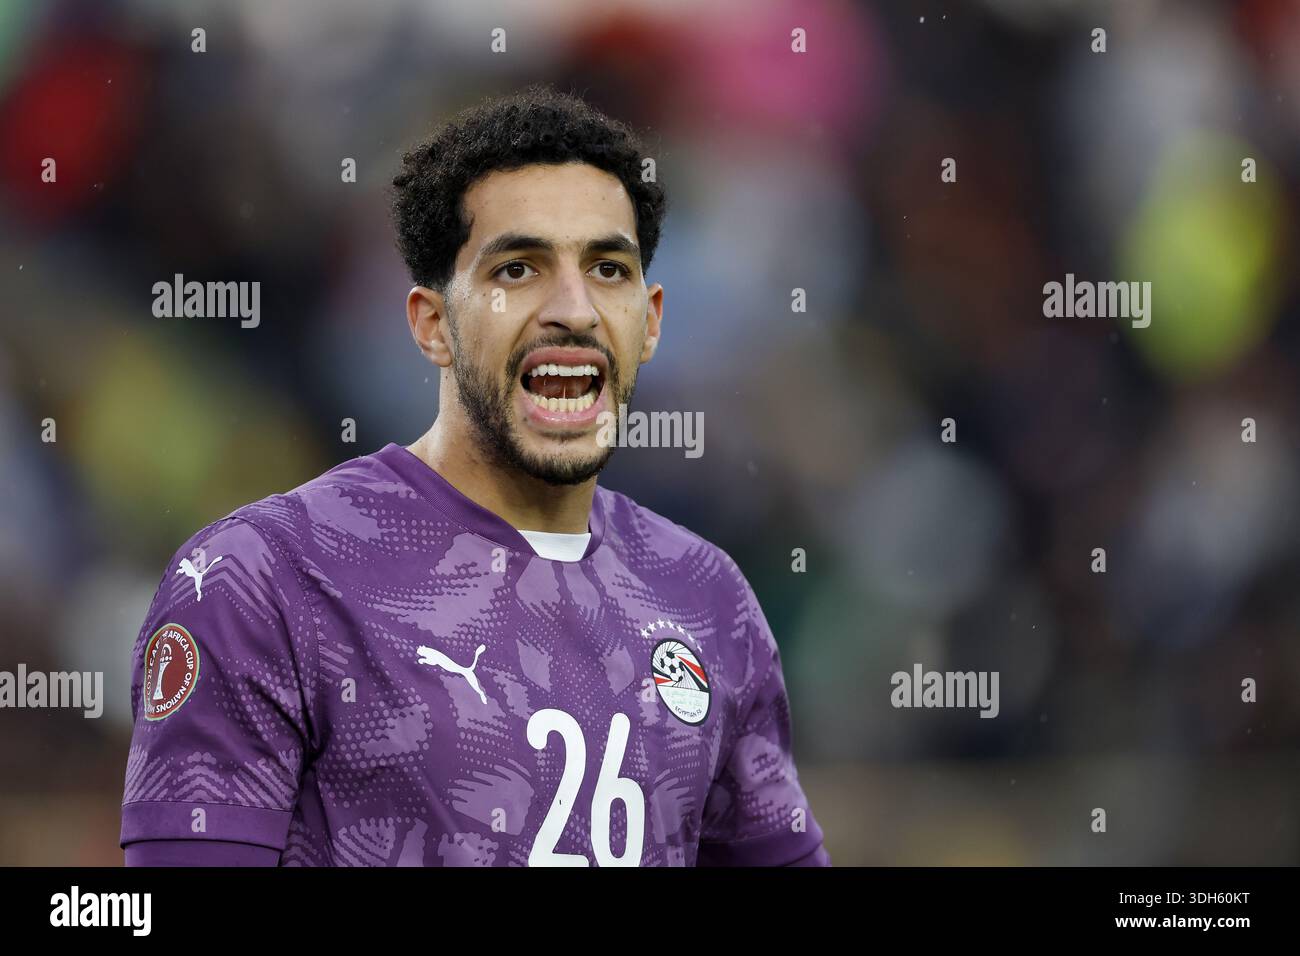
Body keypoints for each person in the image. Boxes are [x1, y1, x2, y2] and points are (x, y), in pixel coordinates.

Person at [121, 85, 830, 867]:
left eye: (607, 268)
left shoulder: (708, 598)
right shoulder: (264, 580)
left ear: (652, 319)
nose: (576, 309)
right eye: (519, 268)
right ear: (433, 325)